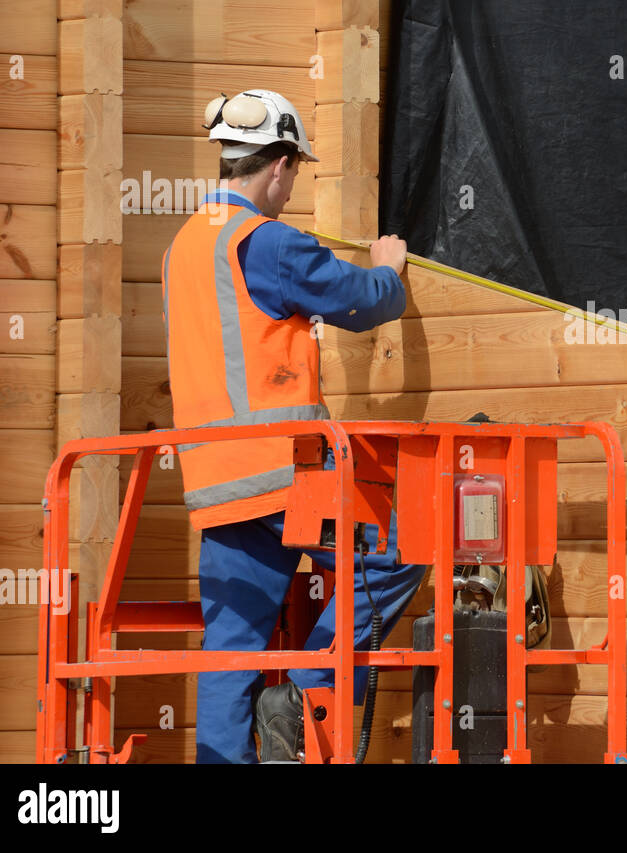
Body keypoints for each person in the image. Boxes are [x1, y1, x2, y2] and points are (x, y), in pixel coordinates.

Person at [161, 89, 426, 762]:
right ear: (277, 165)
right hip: (286, 477)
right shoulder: (265, 242)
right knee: (406, 541)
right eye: (295, 172)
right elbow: (361, 303)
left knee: (230, 653)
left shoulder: (183, 249)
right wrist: (389, 270)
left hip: (215, 485)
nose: (291, 188)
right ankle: (310, 686)